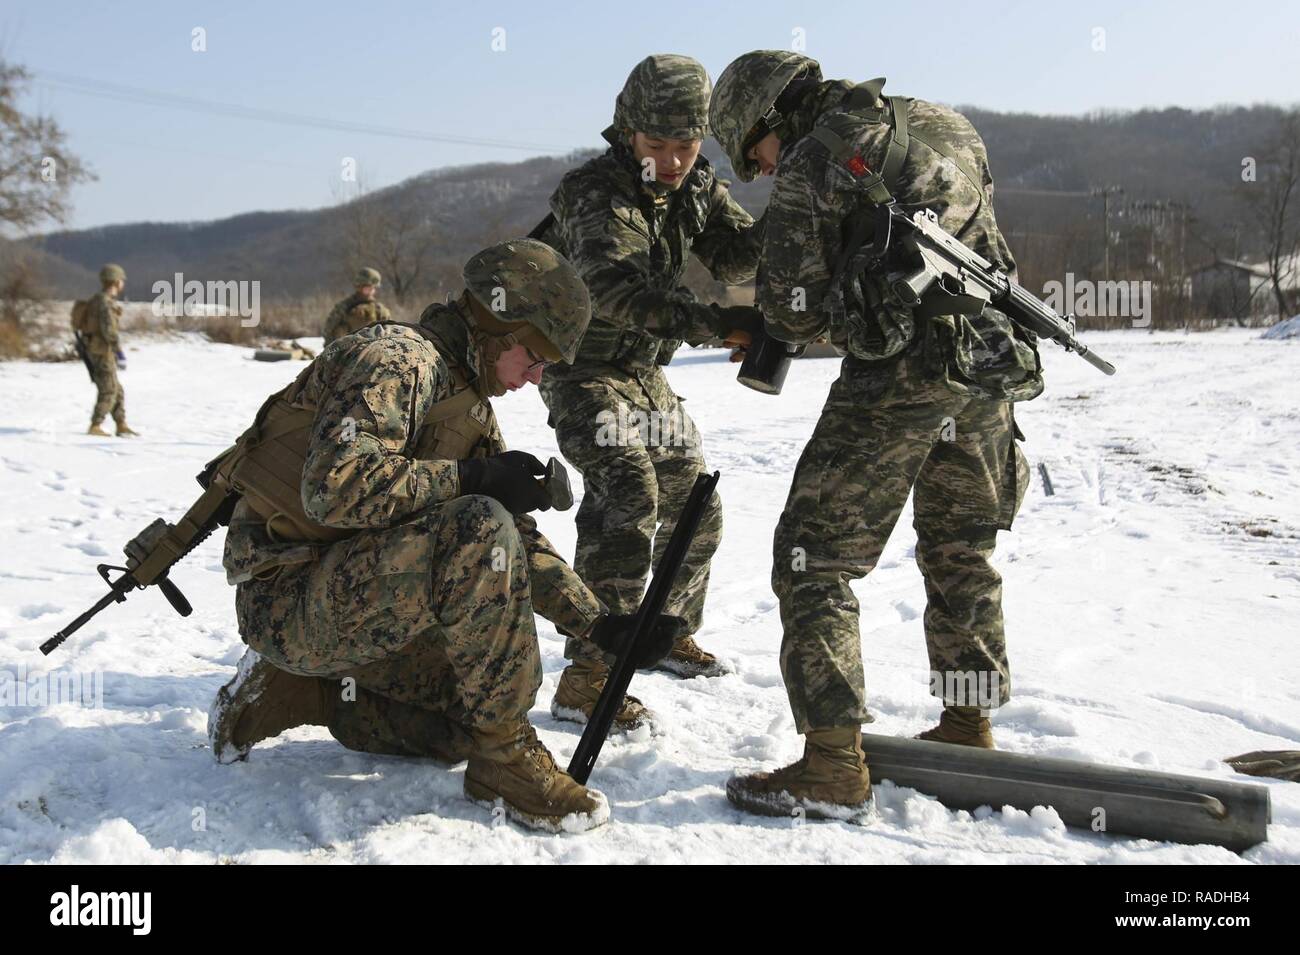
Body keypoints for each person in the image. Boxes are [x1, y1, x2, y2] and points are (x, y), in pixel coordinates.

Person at [208, 239, 682, 833]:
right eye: (534, 358)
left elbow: (515, 539)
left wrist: (601, 625)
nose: (535, 378)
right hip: (290, 597)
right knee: (477, 528)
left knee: (467, 717)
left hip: (363, 602)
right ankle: (505, 760)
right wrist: (473, 478)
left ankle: (304, 692)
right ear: (500, 327)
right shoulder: (398, 360)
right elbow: (335, 486)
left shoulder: (468, 404)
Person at [709, 51, 1041, 820]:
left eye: (752, 153)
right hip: (987, 361)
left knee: (813, 554)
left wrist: (819, 307)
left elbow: (789, 311)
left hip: (904, 372)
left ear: (768, 120)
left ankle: (830, 762)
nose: (759, 170)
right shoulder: (942, 122)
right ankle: (966, 723)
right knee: (961, 547)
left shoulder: (811, 158)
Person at [539, 54, 764, 731]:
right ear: (626, 133)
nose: (670, 160)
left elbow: (736, 255)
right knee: (629, 490)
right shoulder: (594, 193)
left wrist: (806, 224)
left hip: (642, 374)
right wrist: (715, 322)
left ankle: (664, 632)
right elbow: (617, 292)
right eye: (655, 146)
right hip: (581, 370)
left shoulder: (694, 184)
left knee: (699, 503)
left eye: (685, 146)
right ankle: (588, 674)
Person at [82, 264, 138, 437]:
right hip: (102, 351)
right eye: (121, 280)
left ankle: (121, 424)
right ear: (115, 281)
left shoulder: (98, 300)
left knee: (117, 389)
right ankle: (95, 425)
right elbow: (109, 330)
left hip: (98, 350)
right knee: (109, 389)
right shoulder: (105, 303)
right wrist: (118, 351)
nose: (123, 283)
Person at [322, 267, 391, 344]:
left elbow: (388, 331)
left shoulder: (380, 309)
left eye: (373, 287)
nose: (371, 289)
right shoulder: (344, 307)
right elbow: (328, 330)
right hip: (346, 350)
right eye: (368, 287)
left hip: (372, 349)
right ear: (360, 286)